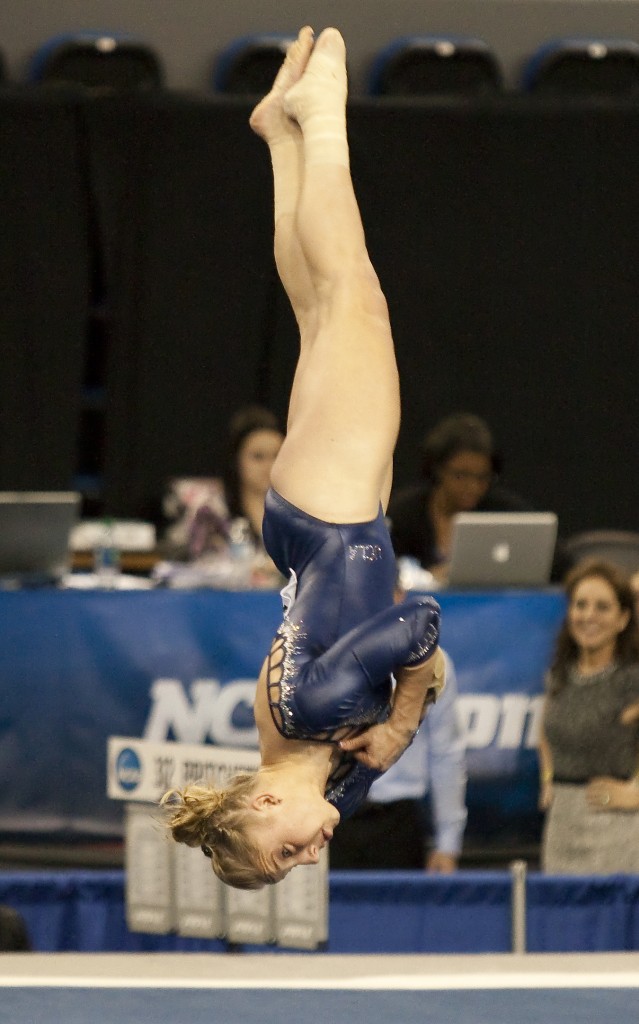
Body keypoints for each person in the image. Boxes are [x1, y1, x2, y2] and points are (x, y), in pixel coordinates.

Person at [162, 26, 444, 889]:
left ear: (260, 805)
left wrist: (399, 722)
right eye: (292, 870)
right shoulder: (336, 781)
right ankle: (282, 137)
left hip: (328, 516)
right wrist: (411, 698)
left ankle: (320, 120)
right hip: (320, 525)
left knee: (353, 296)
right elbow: (428, 662)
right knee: (324, 308)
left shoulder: (317, 719)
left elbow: (421, 625)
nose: (309, 854)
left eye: (285, 852)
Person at [537, 558, 639, 873]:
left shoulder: (631, 679)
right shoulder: (559, 676)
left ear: (623, 619)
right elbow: (545, 732)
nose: (589, 616)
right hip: (560, 829)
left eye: (602, 607)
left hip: (616, 832)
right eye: (581, 605)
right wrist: (548, 779)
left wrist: (635, 795)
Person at [329, 648, 467, 870]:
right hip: (329, 816)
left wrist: (448, 843)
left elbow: (446, 755)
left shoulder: (431, 661)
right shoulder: (325, 653)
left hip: (398, 824)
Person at [388, 413, 532, 584]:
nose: (473, 487)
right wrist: (428, 578)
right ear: (438, 468)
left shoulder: (506, 511)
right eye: (461, 475)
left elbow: (559, 561)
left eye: (482, 477)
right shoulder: (405, 513)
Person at [160, 405, 285, 586]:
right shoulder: (210, 511)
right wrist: (254, 570)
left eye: (277, 456)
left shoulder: (295, 511)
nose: (269, 465)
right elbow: (202, 568)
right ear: (236, 460)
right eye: (258, 457)